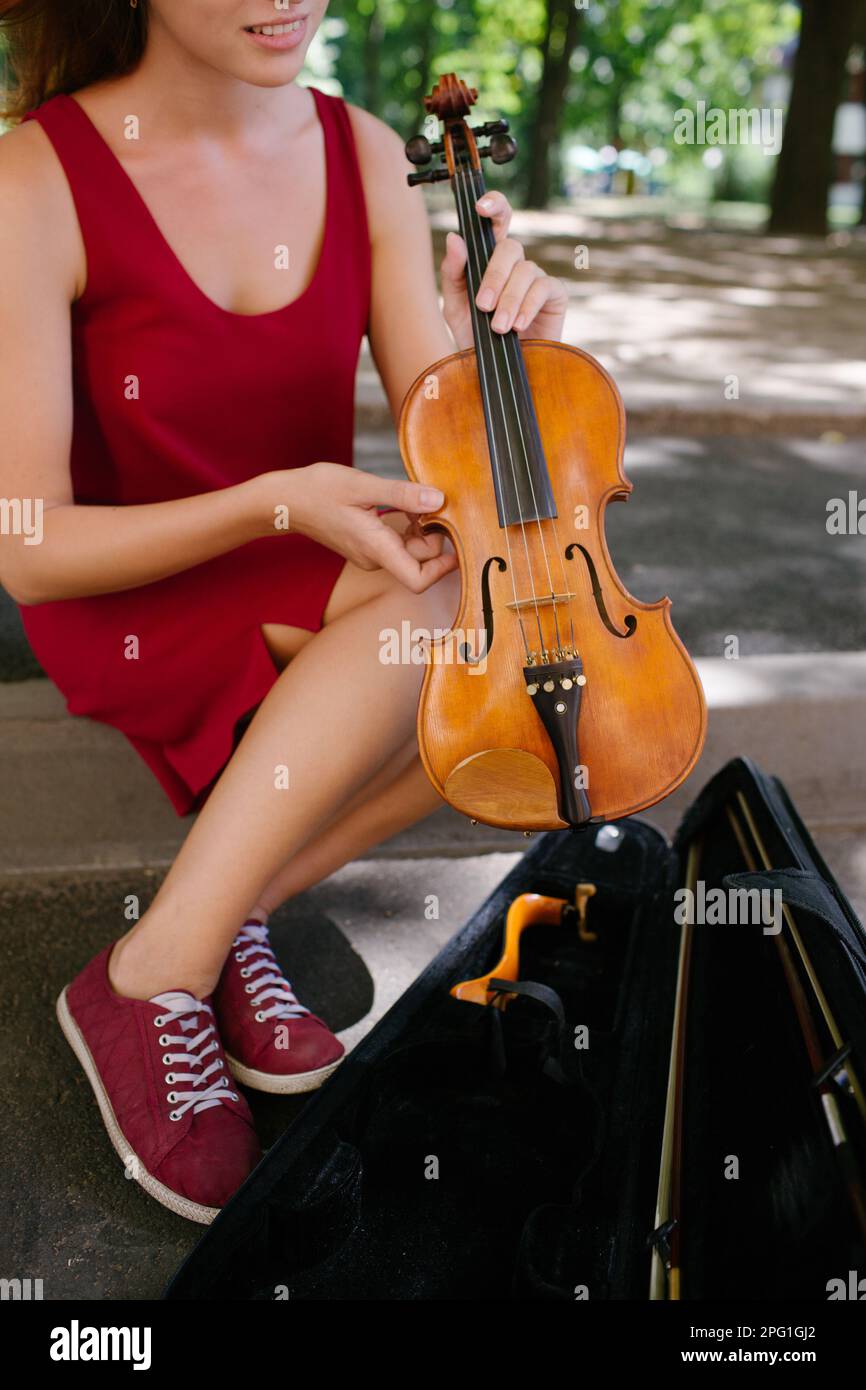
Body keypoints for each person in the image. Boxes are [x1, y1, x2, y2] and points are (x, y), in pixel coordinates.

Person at [0, 0, 567, 1223]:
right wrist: (270, 507)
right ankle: (156, 975)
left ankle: (205, 920)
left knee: (522, 638)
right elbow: (30, 551)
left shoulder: (362, 149)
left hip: (307, 546)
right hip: (128, 578)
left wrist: (504, 337)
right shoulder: (35, 175)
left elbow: (447, 463)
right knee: (436, 620)